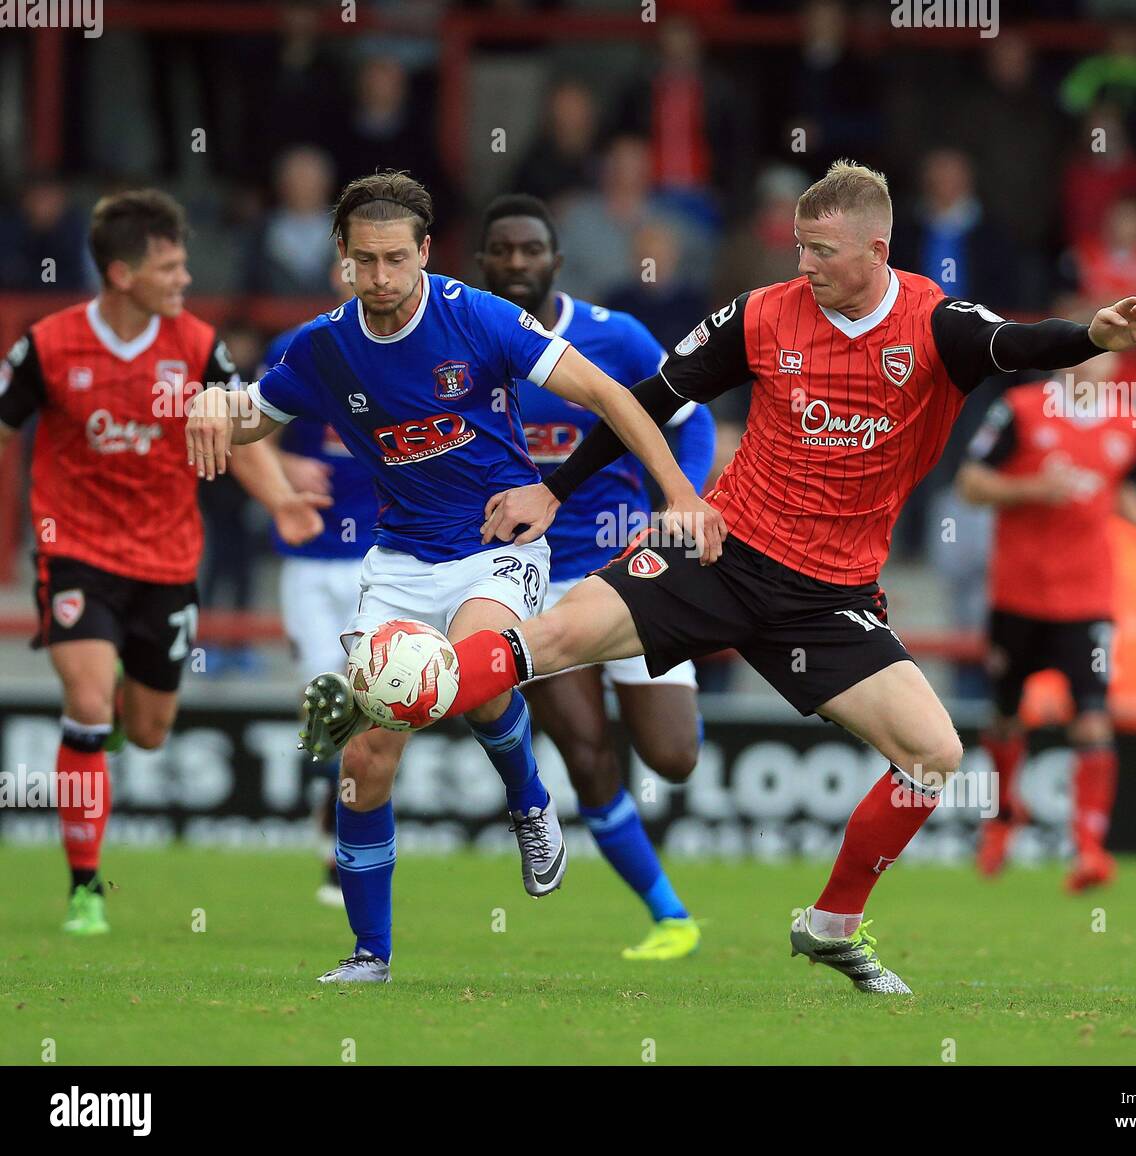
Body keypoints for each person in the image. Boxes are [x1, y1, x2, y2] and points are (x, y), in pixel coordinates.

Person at [408, 160, 1136, 996]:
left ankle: (833, 925)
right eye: (800, 247)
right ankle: (391, 694)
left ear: (877, 250)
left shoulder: (934, 323)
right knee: (551, 637)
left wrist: (1093, 336)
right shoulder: (762, 315)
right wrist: (553, 489)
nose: (803, 265)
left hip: (828, 598)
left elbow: (1019, 343)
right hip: (722, 556)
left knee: (935, 754)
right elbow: (653, 396)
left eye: (822, 251)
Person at [184, 171, 715, 984]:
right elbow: (252, 415)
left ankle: (527, 800)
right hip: (400, 563)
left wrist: (678, 491)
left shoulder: (480, 318)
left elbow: (610, 392)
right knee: (365, 761)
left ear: (426, 252)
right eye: (366, 261)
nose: (383, 278)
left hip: (497, 547)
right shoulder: (324, 348)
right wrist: (212, 412)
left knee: (469, 676)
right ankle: (370, 956)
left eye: (397, 259)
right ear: (344, 259)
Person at [0, 189, 327, 936]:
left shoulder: (195, 345)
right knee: (86, 701)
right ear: (122, 274)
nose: (184, 279)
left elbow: (240, 433)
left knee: (147, 731)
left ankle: (113, 717)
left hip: (167, 559)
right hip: (74, 549)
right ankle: (86, 888)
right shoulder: (49, 346)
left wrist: (279, 499)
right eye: (171, 267)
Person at [476, 193, 716, 961]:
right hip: (527, 578)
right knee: (584, 751)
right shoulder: (465, 341)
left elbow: (694, 417)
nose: (517, 264)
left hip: (625, 571)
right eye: (502, 252)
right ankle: (670, 916)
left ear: (558, 260)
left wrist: (683, 499)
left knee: (673, 757)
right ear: (483, 262)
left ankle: (664, 902)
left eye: (530, 251)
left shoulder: (617, 337)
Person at [955, 352, 1136, 891]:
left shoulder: (1129, 420)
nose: (1097, 369)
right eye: (1089, 356)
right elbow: (970, 483)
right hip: (1019, 592)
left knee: (1093, 713)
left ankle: (1090, 848)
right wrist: (1033, 489)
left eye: (1107, 361)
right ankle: (1002, 820)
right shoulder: (1020, 409)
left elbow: (1120, 485)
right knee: (1007, 716)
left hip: (1087, 598)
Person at [261, 266, 376, 908]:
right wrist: (282, 463)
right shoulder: (297, 345)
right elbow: (247, 436)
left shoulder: (419, 350)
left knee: (364, 703)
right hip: (309, 552)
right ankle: (333, 807)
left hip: (382, 556)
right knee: (324, 705)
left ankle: (342, 839)